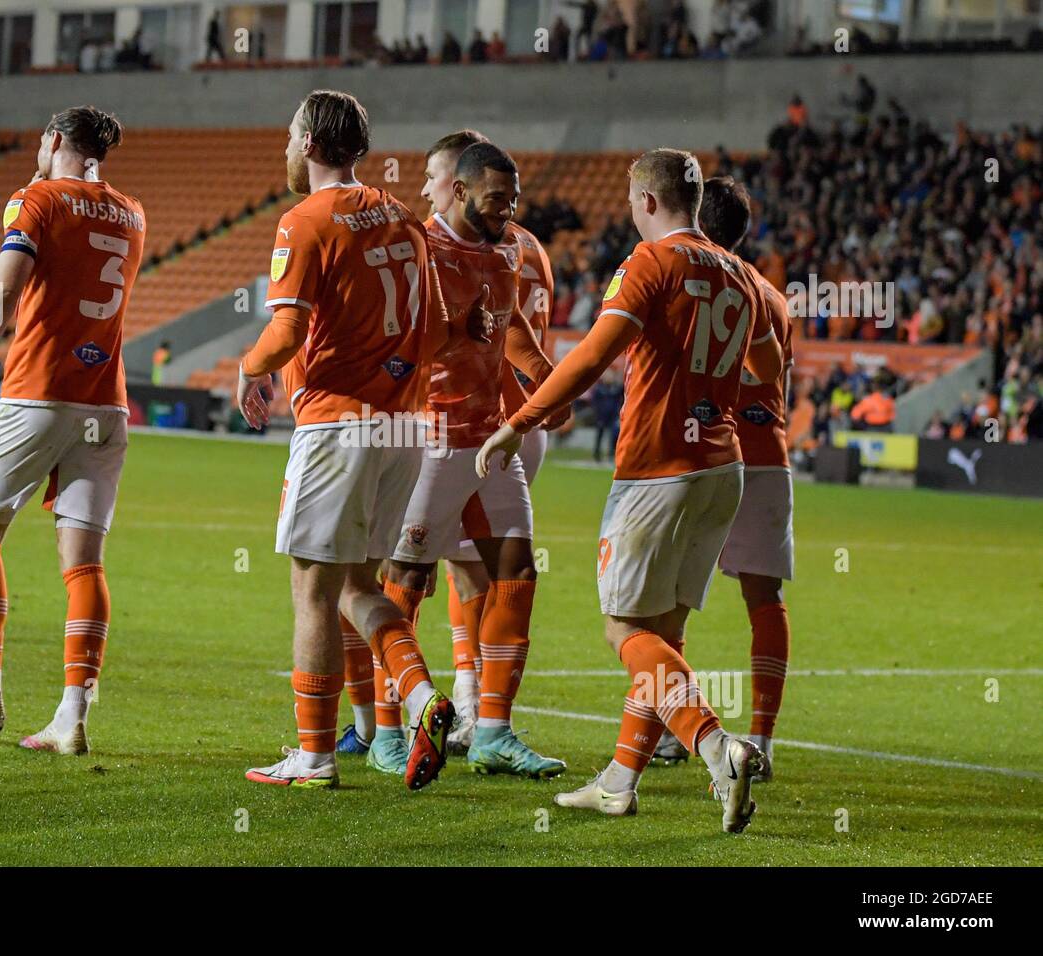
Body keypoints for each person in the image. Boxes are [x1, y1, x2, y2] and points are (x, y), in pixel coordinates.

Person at [477, 148, 782, 833]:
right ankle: (619, 781)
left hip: (658, 468)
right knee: (664, 635)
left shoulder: (650, 263)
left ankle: (712, 745)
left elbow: (593, 353)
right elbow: (766, 361)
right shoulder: (742, 275)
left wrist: (520, 419)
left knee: (624, 629)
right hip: (721, 468)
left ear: (647, 201)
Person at [237, 90, 465, 791]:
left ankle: (314, 758)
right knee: (360, 587)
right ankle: (424, 700)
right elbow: (433, 334)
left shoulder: (304, 221)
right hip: (404, 426)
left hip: (338, 424)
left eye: (289, 131)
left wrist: (249, 371)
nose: (285, 141)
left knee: (313, 590)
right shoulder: (404, 218)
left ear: (308, 144)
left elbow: (286, 332)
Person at [0, 106, 146, 757]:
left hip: (38, 394)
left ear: (52, 142)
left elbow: (1, 297)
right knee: (84, 564)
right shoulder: (133, 212)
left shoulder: (36, 198)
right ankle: (71, 718)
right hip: (106, 406)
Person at [382, 141, 568, 780]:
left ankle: (492, 731)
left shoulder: (505, 249)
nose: (507, 210)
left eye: (512, 200)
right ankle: (392, 725)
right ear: (459, 192)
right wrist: (462, 326)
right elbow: (405, 336)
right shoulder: (421, 249)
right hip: (432, 438)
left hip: (491, 438)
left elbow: (510, 320)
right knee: (405, 580)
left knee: (516, 573)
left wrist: (546, 383)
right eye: (496, 200)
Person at [651, 176, 795, 778]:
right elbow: (776, 378)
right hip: (768, 456)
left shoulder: (695, 280)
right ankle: (760, 739)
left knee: (666, 606)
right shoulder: (774, 296)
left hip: (703, 454)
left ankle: (665, 733)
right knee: (765, 599)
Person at [590, 370, 623, 462]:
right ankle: (597, 454)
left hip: (613, 415)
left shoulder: (616, 388)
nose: (609, 378)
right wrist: (597, 412)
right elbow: (594, 401)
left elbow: (622, 395)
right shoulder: (599, 389)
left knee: (614, 435)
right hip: (602, 416)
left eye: (610, 376)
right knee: (600, 435)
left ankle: (612, 454)